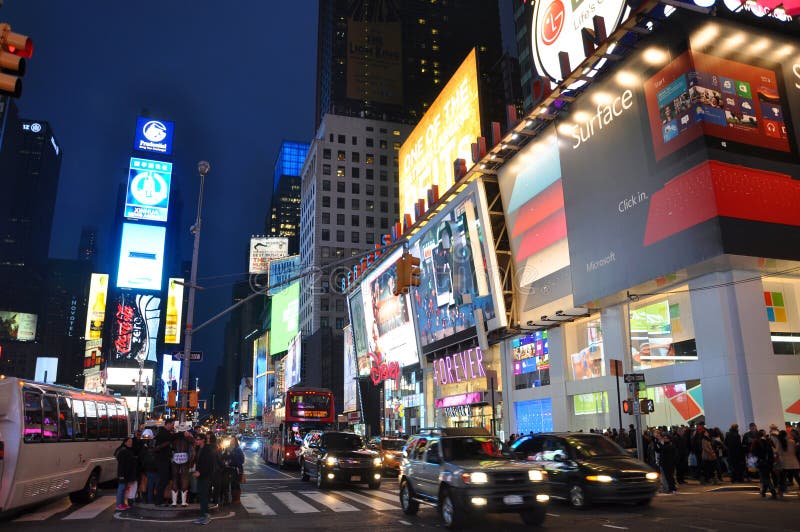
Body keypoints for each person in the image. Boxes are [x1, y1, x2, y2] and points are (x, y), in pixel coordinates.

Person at [193, 433, 216, 525]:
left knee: (204, 496)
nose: (196, 441)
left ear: (203, 440)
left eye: (198, 439)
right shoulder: (199, 449)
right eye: (196, 439)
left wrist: (200, 472)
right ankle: (202, 515)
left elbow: (209, 464)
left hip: (206, 476)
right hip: (200, 476)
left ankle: (206, 516)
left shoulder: (207, 449)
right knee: (201, 496)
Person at [154, 419, 175, 506]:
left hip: (163, 460)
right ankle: (159, 501)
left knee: (164, 480)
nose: (173, 426)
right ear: (168, 424)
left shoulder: (163, 433)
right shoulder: (164, 433)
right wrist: (182, 434)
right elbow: (172, 438)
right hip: (162, 460)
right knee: (163, 480)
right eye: (172, 424)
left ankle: (159, 500)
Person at [171, 431, 195, 506]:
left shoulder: (174, 437)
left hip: (175, 458)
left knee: (175, 479)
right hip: (185, 458)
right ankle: (183, 502)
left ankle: (174, 502)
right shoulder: (188, 438)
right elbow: (193, 444)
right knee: (184, 478)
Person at [752, 429, 777, 499]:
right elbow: (772, 452)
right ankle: (763, 492)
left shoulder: (756, 442)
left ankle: (772, 491)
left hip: (761, 462)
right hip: (768, 462)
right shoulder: (768, 441)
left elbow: (754, 453)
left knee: (765, 477)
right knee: (765, 476)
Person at [115, 437, 137, 511]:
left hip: (126, 474)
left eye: (131, 441)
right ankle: (118, 504)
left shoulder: (127, 450)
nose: (131, 443)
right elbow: (121, 464)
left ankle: (122, 503)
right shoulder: (123, 451)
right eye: (129, 441)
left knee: (124, 489)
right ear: (125, 442)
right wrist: (121, 475)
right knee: (121, 489)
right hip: (123, 474)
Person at [776, 430, 800, 497]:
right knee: (797, 478)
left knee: (782, 479)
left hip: (784, 462)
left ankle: (781, 493)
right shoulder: (792, 442)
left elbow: (778, 452)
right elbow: (795, 451)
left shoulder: (779, 442)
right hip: (794, 462)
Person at [139, 429, 161, 504]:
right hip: (151, 469)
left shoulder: (144, 446)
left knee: (151, 486)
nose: (146, 440)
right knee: (152, 486)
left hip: (151, 469)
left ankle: (151, 500)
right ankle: (153, 500)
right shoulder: (154, 445)